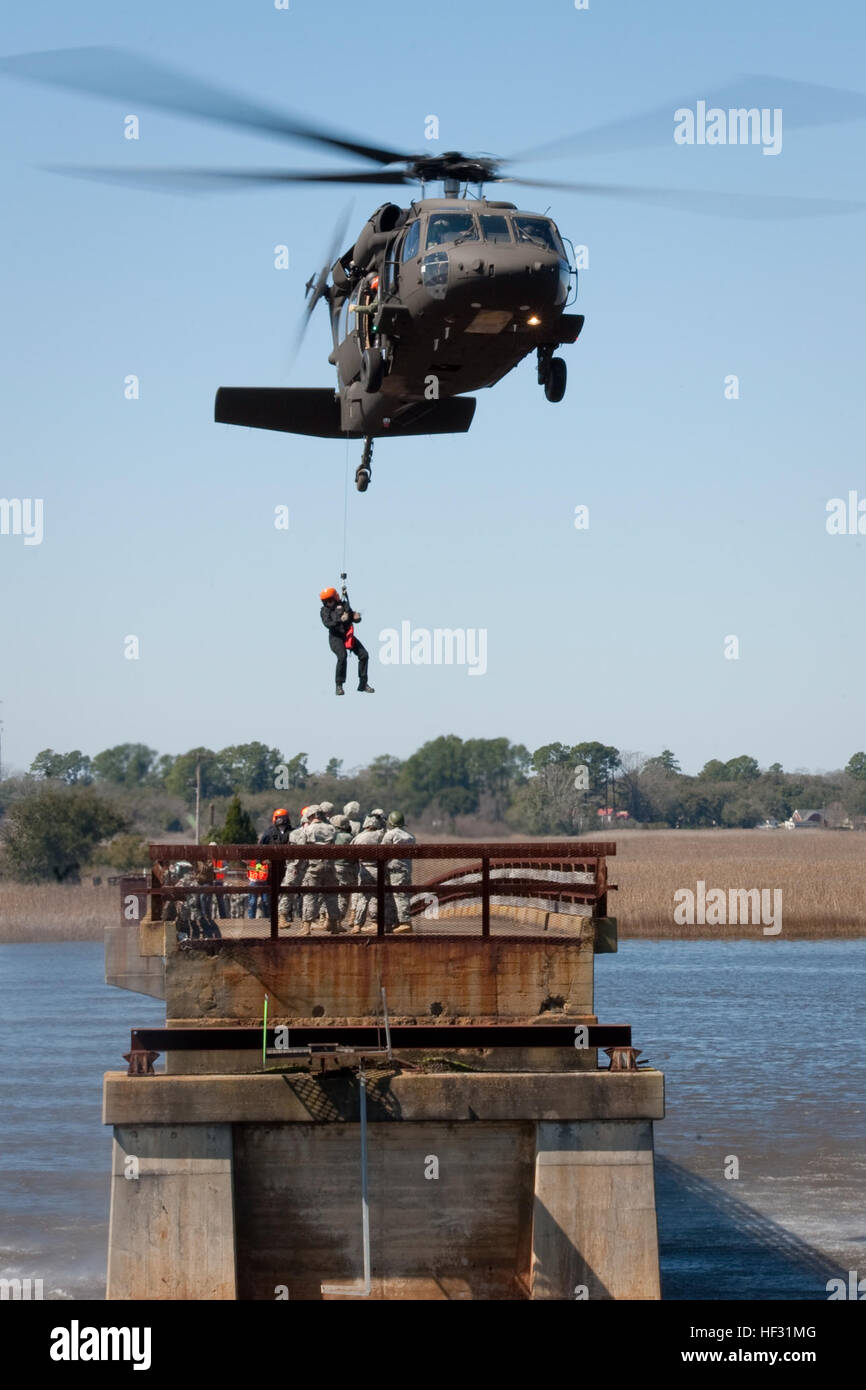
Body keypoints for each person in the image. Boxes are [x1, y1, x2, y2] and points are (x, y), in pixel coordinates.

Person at [320, 585, 374, 696]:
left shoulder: (344, 605)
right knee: (342, 656)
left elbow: (351, 615)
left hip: (347, 636)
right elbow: (328, 623)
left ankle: (363, 684)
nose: (328, 603)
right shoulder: (325, 611)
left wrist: (356, 617)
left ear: (335, 598)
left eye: (330, 601)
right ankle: (339, 685)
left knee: (364, 655)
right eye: (326, 602)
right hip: (335, 638)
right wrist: (340, 620)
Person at [300, 805, 343, 934]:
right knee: (331, 896)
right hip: (330, 866)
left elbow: (300, 849)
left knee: (310, 896)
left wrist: (298, 868)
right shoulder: (331, 829)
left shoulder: (307, 830)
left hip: (313, 867)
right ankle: (334, 926)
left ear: (311, 816)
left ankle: (306, 927)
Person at [381, 811, 415, 934]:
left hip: (394, 870)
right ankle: (397, 922)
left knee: (398, 896)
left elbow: (382, 851)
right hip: (406, 869)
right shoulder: (410, 836)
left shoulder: (390, 835)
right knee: (402, 895)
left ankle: (405, 923)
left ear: (391, 822)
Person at [350, 813, 384, 933]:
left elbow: (350, 853)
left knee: (363, 898)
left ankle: (357, 925)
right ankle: (376, 923)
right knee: (376, 897)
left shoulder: (359, 837)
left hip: (364, 869)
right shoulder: (380, 835)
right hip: (378, 869)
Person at [260, 808, 294, 928]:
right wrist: (263, 861)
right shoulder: (269, 833)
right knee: (273, 892)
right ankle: (273, 915)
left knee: (287, 891)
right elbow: (260, 850)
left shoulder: (292, 832)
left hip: (288, 867)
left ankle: (286, 914)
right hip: (273, 867)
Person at [330, 813, 357, 924]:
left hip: (332, 868)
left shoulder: (331, 836)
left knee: (331, 895)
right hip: (346, 868)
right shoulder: (350, 837)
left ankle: (328, 920)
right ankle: (338, 922)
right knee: (344, 896)